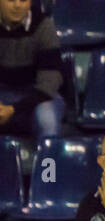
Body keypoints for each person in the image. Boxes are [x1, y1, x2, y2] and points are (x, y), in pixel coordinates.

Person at [0, 0, 65, 140]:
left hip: (37, 94)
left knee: (47, 121)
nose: (17, 5)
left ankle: (49, 162)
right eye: (11, 0)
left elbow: (49, 84)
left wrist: (13, 109)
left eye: (23, 0)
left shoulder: (44, 26)